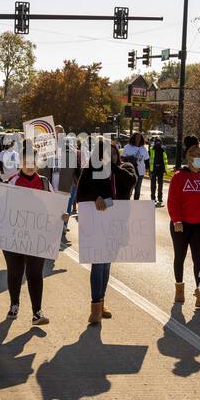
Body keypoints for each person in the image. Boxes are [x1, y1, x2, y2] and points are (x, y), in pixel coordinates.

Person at [0, 151, 64, 324]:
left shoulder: (45, 183)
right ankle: (14, 305)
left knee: (35, 273)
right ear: (20, 163)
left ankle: (37, 312)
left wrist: (62, 216)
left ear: (38, 163)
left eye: (33, 162)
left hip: (37, 237)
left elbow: (54, 208)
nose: (29, 166)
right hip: (13, 236)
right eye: (26, 162)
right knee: (15, 272)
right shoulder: (10, 182)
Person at [75, 138, 137, 323]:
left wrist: (111, 166)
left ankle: (101, 302)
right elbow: (80, 195)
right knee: (98, 263)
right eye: (104, 153)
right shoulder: (89, 172)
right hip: (96, 224)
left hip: (116, 224)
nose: (109, 156)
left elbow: (131, 182)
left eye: (113, 152)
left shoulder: (125, 168)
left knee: (107, 264)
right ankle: (95, 307)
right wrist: (95, 198)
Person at [167, 137, 200, 308]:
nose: (199, 157)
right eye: (195, 154)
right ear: (188, 157)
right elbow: (172, 201)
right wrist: (176, 220)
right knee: (179, 257)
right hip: (181, 225)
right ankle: (179, 289)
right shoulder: (179, 177)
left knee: (199, 261)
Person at [122, 131, 149, 199]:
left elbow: (147, 160)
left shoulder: (143, 149)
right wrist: (129, 158)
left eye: (139, 137)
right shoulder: (127, 147)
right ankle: (127, 203)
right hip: (129, 171)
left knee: (137, 190)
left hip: (140, 172)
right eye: (136, 137)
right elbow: (122, 158)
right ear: (133, 138)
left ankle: (136, 204)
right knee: (128, 189)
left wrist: (149, 170)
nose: (138, 139)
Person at [148, 135, 168, 206]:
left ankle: (160, 199)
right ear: (155, 142)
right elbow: (148, 160)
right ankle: (153, 199)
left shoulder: (163, 150)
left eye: (159, 142)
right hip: (153, 169)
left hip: (160, 169)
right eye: (157, 142)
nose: (158, 143)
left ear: (161, 143)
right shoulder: (151, 149)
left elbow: (165, 161)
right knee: (153, 185)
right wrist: (149, 170)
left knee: (160, 185)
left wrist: (165, 169)